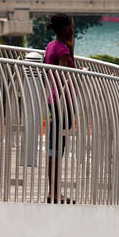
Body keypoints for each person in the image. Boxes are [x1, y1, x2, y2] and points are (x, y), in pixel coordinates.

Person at [44, 14, 78, 204]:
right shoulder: (63, 50)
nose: (73, 29)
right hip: (63, 104)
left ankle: (53, 191)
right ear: (65, 28)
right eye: (71, 26)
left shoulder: (51, 46)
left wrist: (71, 48)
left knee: (53, 148)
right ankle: (55, 192)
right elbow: (65, 74)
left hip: (53, 99)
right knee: (57, 150)